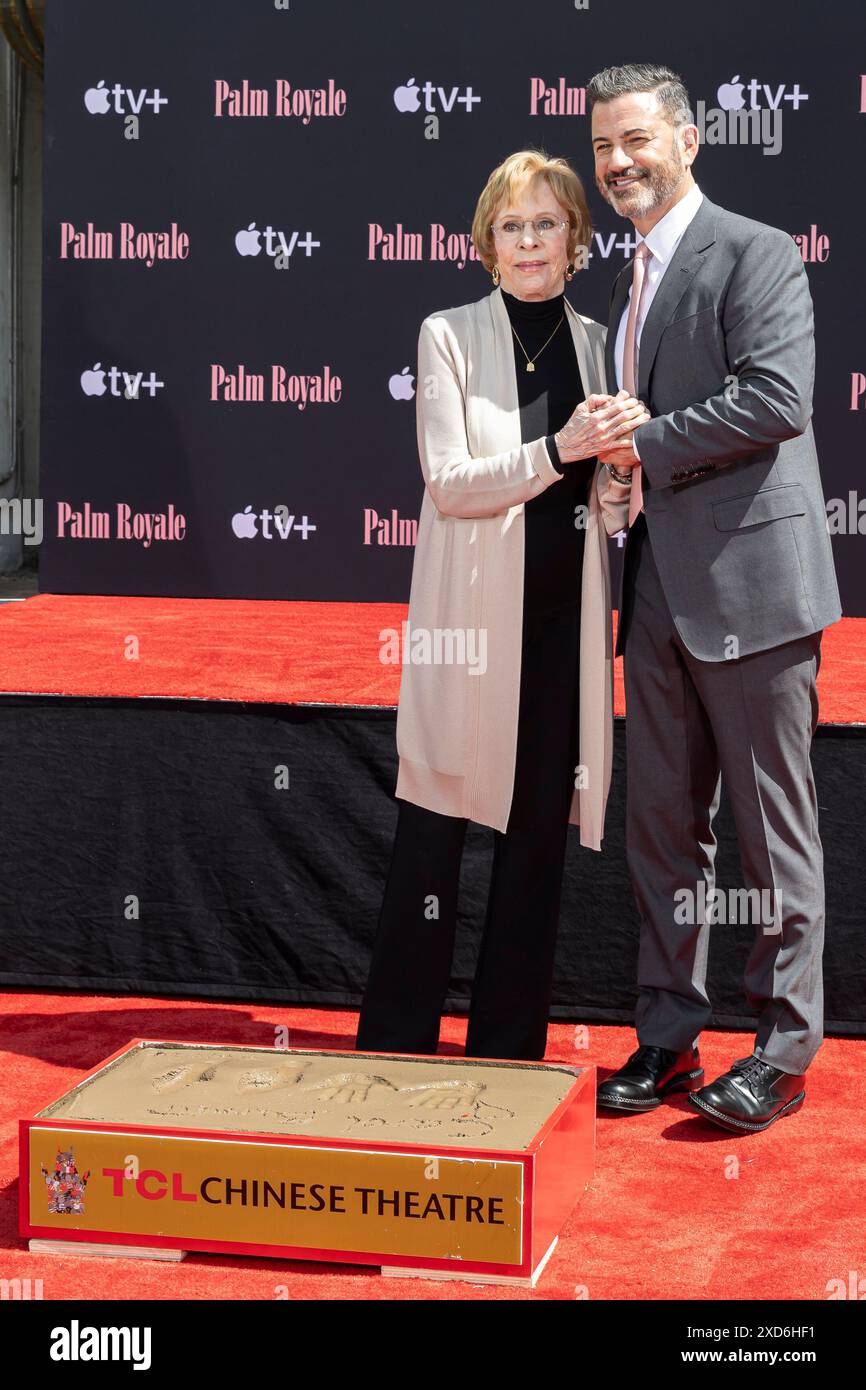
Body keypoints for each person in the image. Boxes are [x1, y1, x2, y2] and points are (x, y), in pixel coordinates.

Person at [586, 64, 842, 1132]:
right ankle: (666, 1032)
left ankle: (781, 1050)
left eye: (635, 140)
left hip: (750, 587)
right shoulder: (626, 275)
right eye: (601, 148)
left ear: (688, 140)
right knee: (659, 826)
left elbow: (776, 399)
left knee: (769, 831)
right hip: (652, 589)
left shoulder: (754, 251)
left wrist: (634, 446)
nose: (616, 164)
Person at [355, 149, 648, 1062]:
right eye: (513, 225)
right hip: (466, 633)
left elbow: (606, 506)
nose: (530, 240)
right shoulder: (447, 334)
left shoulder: (604, 343)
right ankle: (399, 1046)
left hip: (561, 629)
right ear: (488, 242)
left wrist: (618, 480)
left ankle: (507, 1053)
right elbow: (450, 484)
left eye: (547, 223)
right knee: (431, 835)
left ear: (575, 240)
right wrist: (561, 447)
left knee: (535, 849)